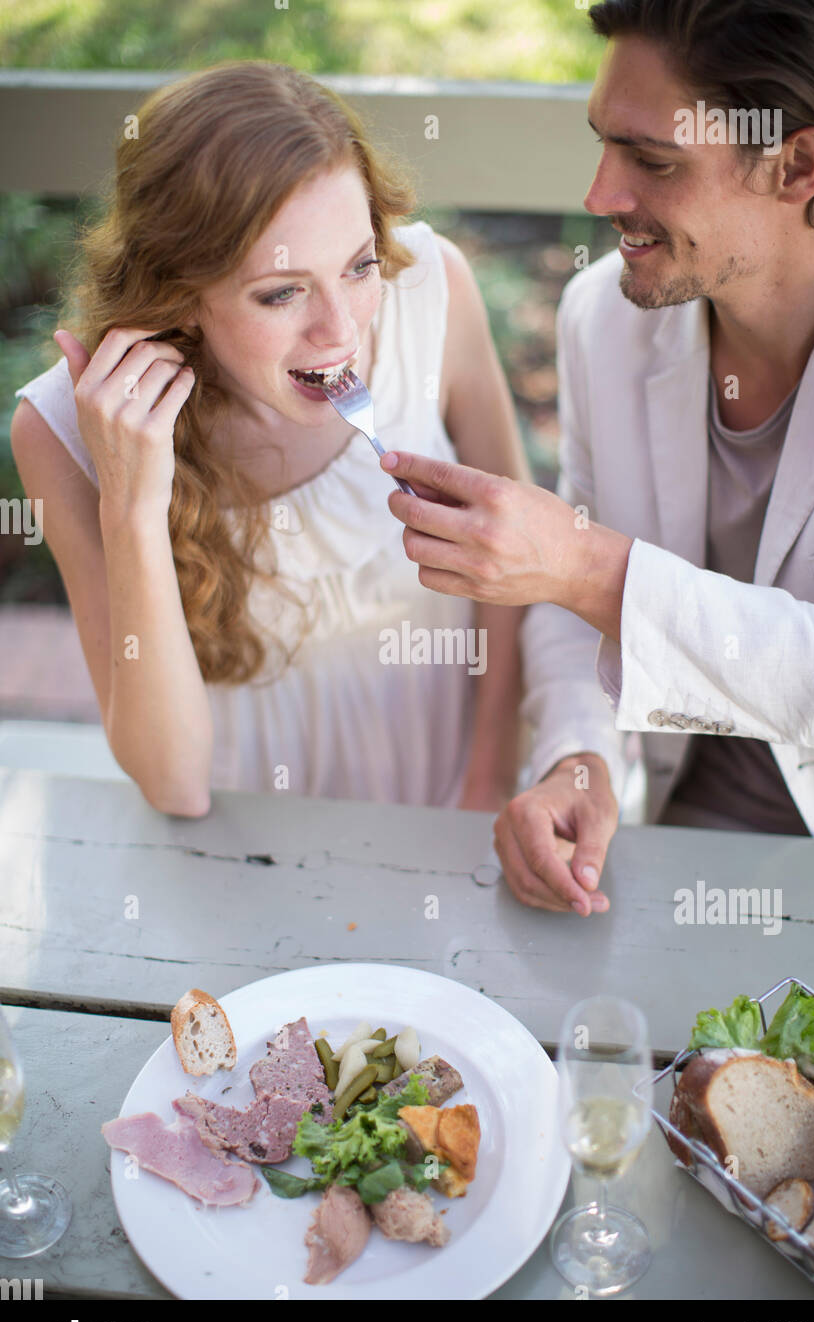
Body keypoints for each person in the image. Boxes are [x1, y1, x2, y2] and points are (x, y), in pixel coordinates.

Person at [376, 0, 814, 915]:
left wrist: (583, 563)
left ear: (798, 163)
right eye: (605, 142)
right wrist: (577, 757)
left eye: (654, 159)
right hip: (673, 850)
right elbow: (570, 604)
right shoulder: (605, 317)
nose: (600, 195)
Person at [11, 61, 529, 817]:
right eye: (282, 292)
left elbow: (515, 580)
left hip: (453, 808)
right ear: (182, 295)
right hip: (241, 849)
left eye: (358, 266)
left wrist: (488, 785)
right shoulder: (63, 435)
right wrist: (132, 504)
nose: (341, 331)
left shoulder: (430, 293)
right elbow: (174, 784)